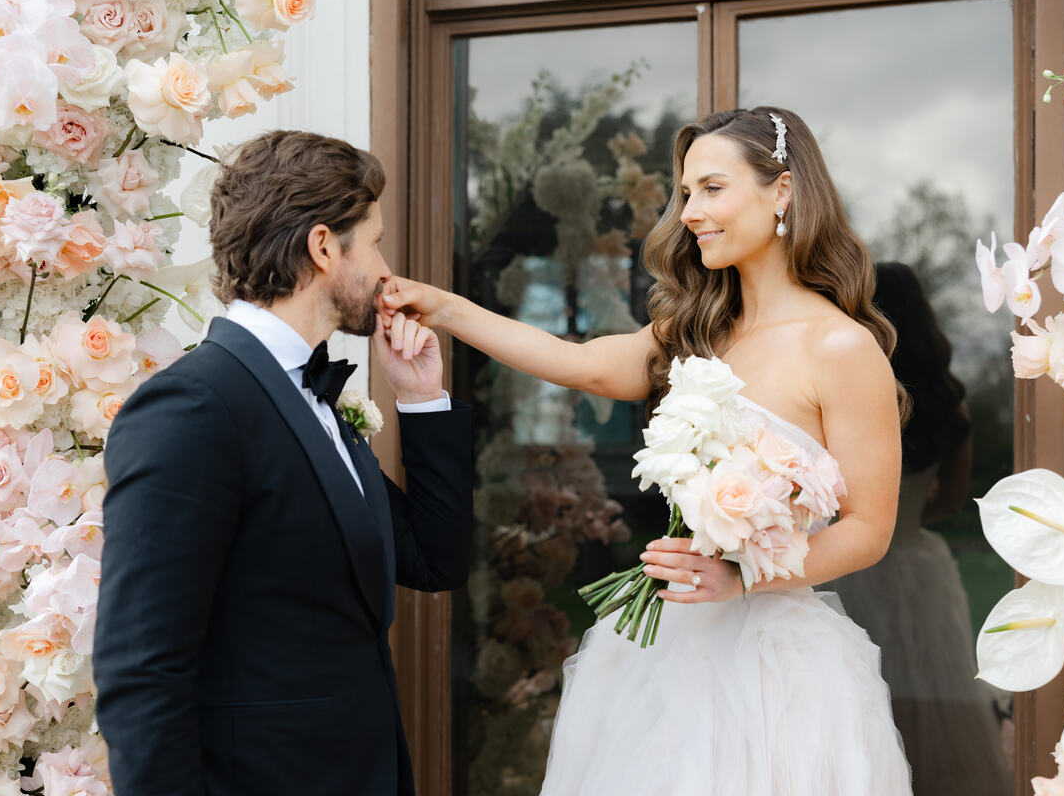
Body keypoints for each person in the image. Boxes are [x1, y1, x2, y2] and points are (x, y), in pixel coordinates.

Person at [382, 107, 912, 793]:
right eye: (687, 193)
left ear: (782, 191)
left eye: (712, 188)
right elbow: (583, 365)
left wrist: (743, 575)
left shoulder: (840, 347)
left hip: (774, 668)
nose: (690, 211)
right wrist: (445, 309)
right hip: (660, 654)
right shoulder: (696, 327)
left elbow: (870, 529)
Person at [92, 130, 474, 796]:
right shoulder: (194, 407)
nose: (386, 270)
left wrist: (420, 400)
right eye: (376, 241)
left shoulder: (314, 396)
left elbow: (435, 559)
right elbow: (142, 673)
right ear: (324, 246)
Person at [825, 261, 1013, 794]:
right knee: (935, 691)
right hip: (917, 561)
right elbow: (954, 497)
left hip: (850, 563)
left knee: (859, 693)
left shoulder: (850, 390)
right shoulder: (949, 406)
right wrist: (905, 520)